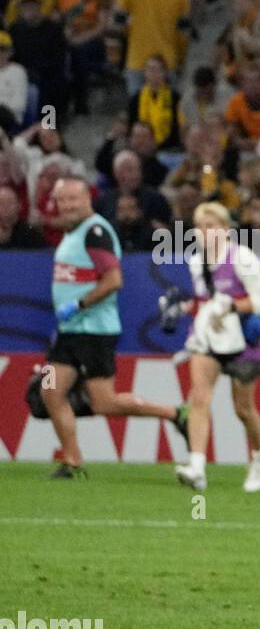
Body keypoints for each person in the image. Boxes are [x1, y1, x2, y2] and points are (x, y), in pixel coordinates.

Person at [39, 177, 188, 479]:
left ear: (87, 199)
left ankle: (173, 414)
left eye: (72, 199)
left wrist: (78, 305)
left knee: (104, 401)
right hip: (72, 331)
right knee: (51, 392)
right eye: (61, 200)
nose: (66, 205)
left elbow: (113, 280)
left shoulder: (95, 232)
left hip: (94, 330)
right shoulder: (73, 233)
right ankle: (72, 461)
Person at [173, 202, 260, 493]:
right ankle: (196, 466)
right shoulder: (197, 262)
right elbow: (203, 301)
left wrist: (230, 305)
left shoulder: (242, 258)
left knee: (243, 408)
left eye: (211, 227)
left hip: (241, 338)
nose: (204, 233)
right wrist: (184, 308)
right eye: (200, 227)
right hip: (209, 339)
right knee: (199, 399)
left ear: (225, 229)